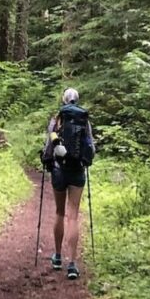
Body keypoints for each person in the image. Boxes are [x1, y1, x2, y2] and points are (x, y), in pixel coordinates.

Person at [41, 86, 95, 281]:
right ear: (77, 101)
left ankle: (57, 257)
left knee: (59, 212)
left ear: (64, 100)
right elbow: (91, 148)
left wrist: (47, 162)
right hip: (77, 172)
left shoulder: (57, 118)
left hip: (59, 170)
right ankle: (72, 264)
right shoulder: (84, 120)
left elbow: (49, 146)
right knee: (73, 216)